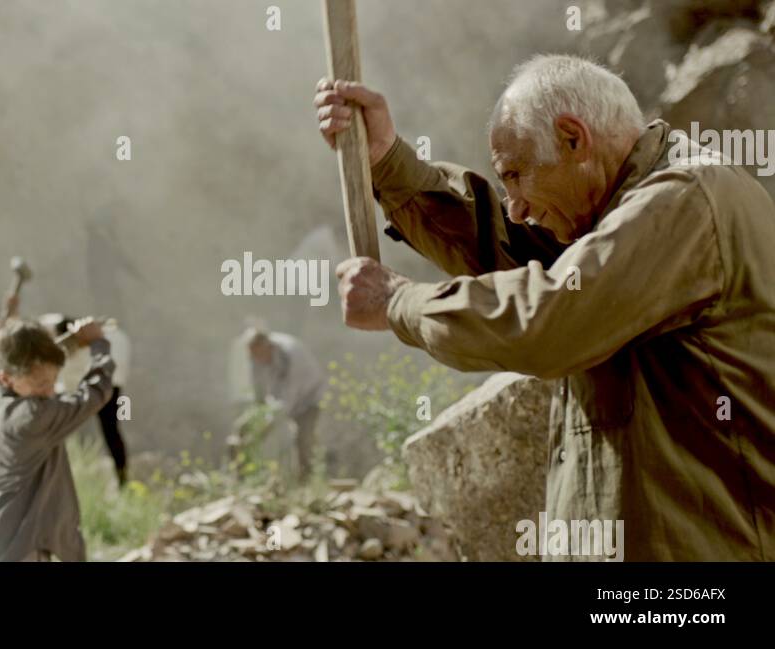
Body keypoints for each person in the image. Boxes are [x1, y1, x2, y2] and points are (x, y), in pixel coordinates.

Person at [314, 54, 775, 561]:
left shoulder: (685, 199)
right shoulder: (614, 214)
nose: (515, 204)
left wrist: (398, 301)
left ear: (575, 139)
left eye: (515, 175)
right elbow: (509, 246)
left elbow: (546, 318)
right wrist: (386, 160)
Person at [0, 316, 113, 562]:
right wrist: (98, 343)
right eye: (40, 383)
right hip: (20, 549)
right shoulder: (32, 418)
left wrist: (73, 343)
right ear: (6, 378)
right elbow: (96, 394)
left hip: (0, 544)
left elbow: (32, 359)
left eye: (53, 381)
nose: (49, 391)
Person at [39, 314, 131, 487]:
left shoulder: (108, 340)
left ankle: (122, 478)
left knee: (110, 431)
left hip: (106, 385)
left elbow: (107, 373)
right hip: (88, 387)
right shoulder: (54, 331)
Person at [232, 327, 326, 479]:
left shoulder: (290, 356)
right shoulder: (256, 355)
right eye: (252, 355)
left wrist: (264, 429)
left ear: (267, 347)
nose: (255, 359)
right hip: (280, 398)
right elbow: (258, 389)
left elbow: (286, 402)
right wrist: (255, 417)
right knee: (242, 428)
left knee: (303, 440)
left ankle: (306, 482)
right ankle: (240, 476)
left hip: (308, 397)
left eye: (257, 354)